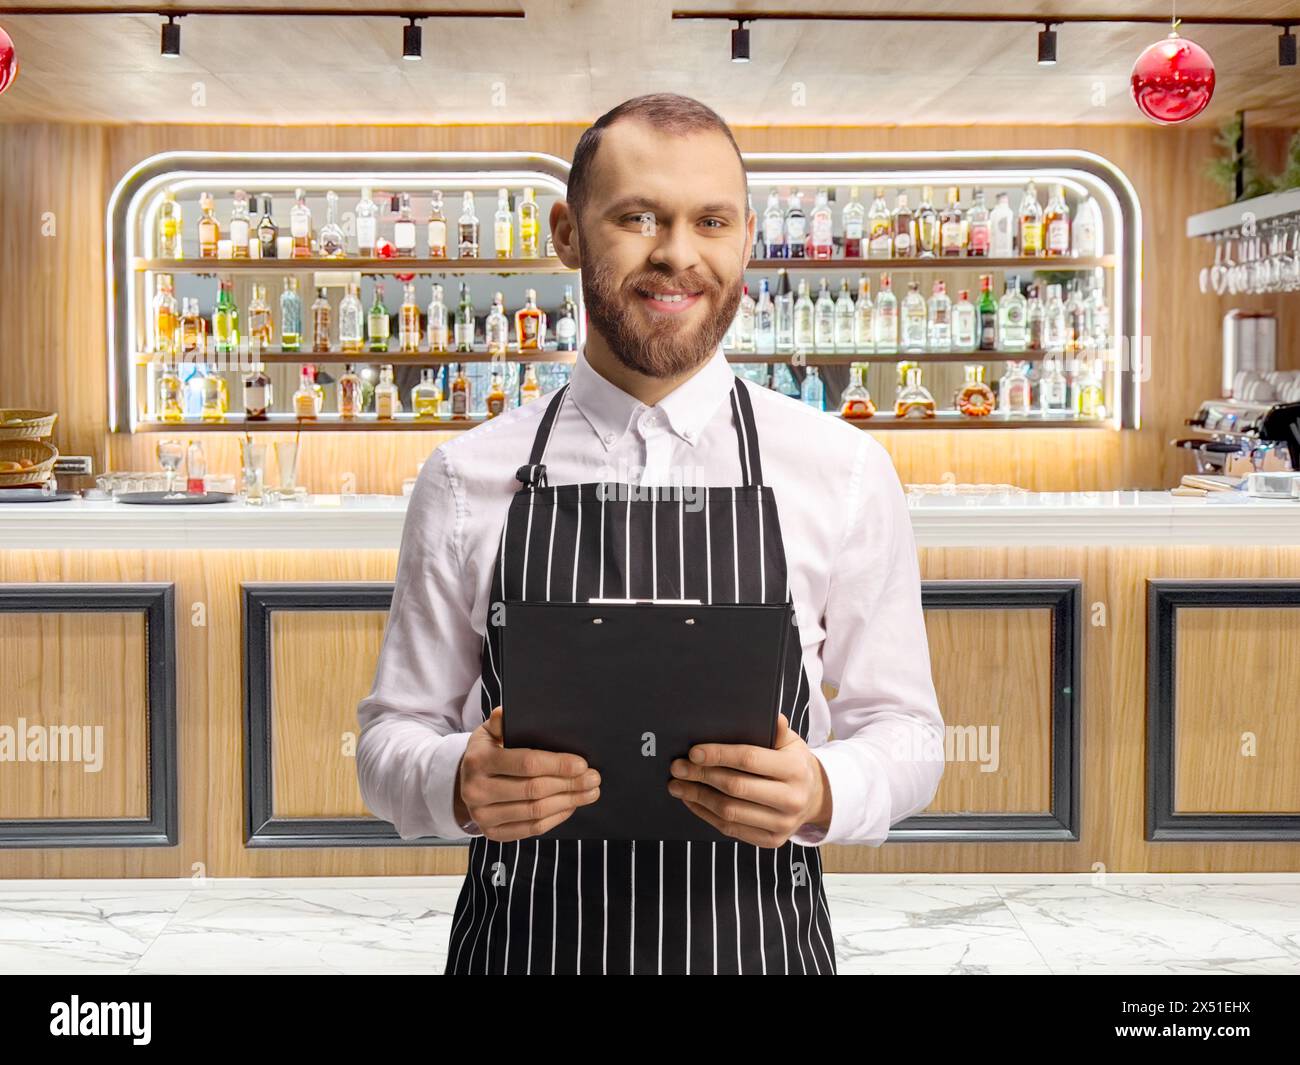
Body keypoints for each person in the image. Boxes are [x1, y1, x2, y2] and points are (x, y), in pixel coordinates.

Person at [356, 92, 944, 975]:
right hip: (525, 950)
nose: (677, 254)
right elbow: (389, 737)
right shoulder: (464, 477)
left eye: (710, 221)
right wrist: (456, 782)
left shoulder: (843, 469)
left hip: (759, 947)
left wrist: (827, 786)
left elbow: (905, 730)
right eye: (638, 217)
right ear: (567, 233)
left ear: (747, 237)